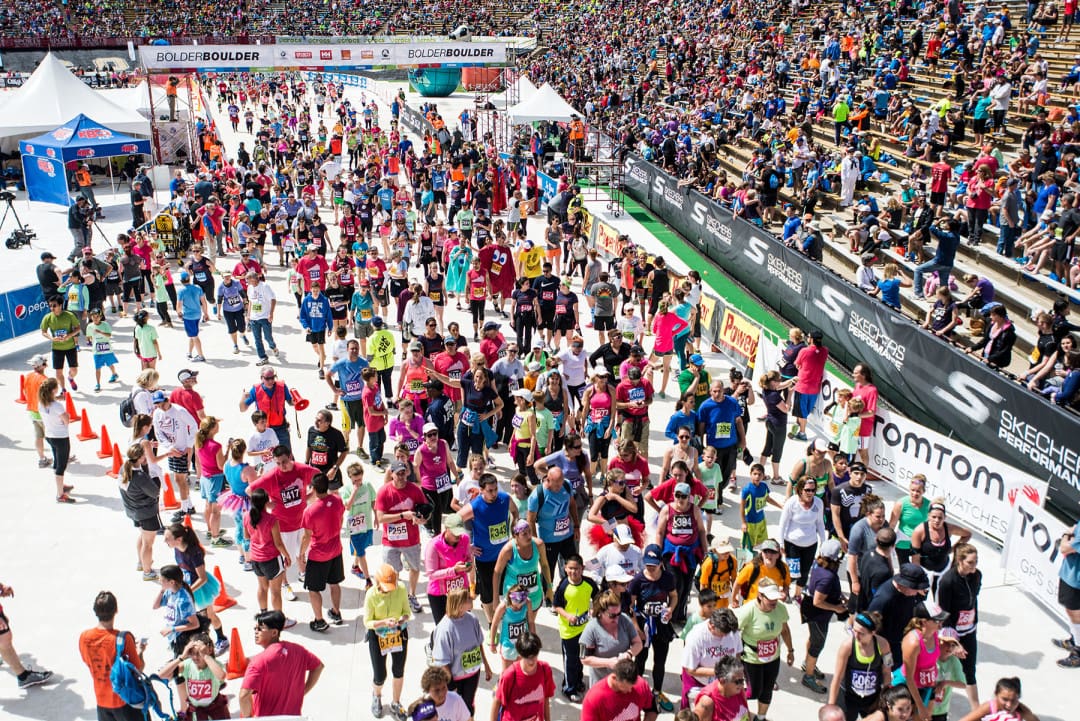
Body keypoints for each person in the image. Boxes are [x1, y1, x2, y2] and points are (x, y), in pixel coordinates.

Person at [249, 445, 318, 603]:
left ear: (291, 456)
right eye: (278, 463)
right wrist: (266, 505)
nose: (281, 466)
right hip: (284, 527)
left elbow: (320, 479)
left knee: (303, 552)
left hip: (302, 523)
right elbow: (250, 490)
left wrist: (309, 496)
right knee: (284, 560)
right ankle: (285, 584)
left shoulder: (303, 469)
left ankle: (303, 574)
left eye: (284, 462)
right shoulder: (272, 476)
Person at [239, 610, 323, 718]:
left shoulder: (258, 661)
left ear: (274, 632)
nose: (256, 631)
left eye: (260, 628)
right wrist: (302, 692)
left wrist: (248, 718)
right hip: (293, 718)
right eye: (255, 628)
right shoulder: (299, 651)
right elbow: (318, 667)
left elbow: (243, 696)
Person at [735, 578, 794, 720]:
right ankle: (735, 705)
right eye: (771, 598)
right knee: (754, 692)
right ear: (760, 596)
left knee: (767, 690)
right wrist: (736, 658)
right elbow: (734, 633)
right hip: (751, 658)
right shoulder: (748, 610)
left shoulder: (780, 608)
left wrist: (790, 651)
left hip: (773, 657)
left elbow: (785, 630)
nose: (774, 602)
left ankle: (761, 717)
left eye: (776, 598)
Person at [375, 458, 429, 613]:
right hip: (390, 541)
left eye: (403, 473)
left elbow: (425, 511)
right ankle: (396, 596)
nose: (401, 477)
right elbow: (380, 518)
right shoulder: (384, 491)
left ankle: (412, 595)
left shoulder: (414, 490)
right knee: (392, 571)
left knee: (414, 568)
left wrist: (422, 519)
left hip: (411, 540)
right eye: (398, 474)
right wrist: (402, 515)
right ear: (391, 474)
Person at [629, 544, 678, 712]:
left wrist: (671, 609)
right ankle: (636, 690)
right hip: (643, 626)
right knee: (640, 660)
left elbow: (673, 596)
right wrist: (636, 627)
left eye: (653, 565)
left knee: (660, 660)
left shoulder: (668, 578)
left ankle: (657, 691)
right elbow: (631, 606)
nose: (650, 568)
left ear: (660, 563)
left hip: (662, 626)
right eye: (647, 564)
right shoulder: (637, 581)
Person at [80, 591, 141, 719]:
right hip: (125, 700)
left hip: (101, 701)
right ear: (116, 610)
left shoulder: (84, 637)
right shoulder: (123, 639)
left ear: (95, 611)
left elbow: (88, 661)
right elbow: (137, 670)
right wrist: (140, 651)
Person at [431, 588, 492, 715]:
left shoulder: (472, 619)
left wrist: (486, 665)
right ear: (459, 605)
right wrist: (451, 686)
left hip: (473, 674)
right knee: (456, 710)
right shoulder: (444, 629)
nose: (472, 598)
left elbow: (479, 644)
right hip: (456, 678)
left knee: (469, 706)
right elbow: (443, 662)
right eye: (468, 599)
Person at [299, 473, 346, 632]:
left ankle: (319, 621)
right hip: (336, 550)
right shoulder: (337, 500)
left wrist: (301, 554)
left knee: (313, 589)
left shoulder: (310, 511)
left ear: (312, 488)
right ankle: (336, 612)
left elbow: (307, 536)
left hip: (319, 555)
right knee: (335, 583)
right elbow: (340, 520)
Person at [828, 611, 894, 721]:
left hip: (873, 697)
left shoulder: (883, 645)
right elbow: (838, 677)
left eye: (861, 633)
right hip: (848, 696)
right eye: (854, 630)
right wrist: (831, 705)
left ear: (873, 632)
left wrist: (885, 698)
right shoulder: (847, 646)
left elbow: (887, 672)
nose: (856, 635)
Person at [802, 539, 848, 694]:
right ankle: (808, 676)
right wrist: (836, 608)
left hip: (809, 610)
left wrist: (839, 595)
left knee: (813, 638)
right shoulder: (828, 576)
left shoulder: (819, 565)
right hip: (818, 615)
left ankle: (808, 663)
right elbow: (818, 601)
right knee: (817, 644)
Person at [366, 564, 412, 720]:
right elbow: (368, 622)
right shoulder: (371, 595)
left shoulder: (401, 589)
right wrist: (384, 622)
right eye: (386, 587)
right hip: (378, 637)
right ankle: (377, 695)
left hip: (398, 634)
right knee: (380, 674)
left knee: (398, 670)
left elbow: (407, 612)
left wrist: (401, 619)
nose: (390, 590)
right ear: (378, 583)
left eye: (392, 586)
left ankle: (396, 702)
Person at [553, 553, 599, 702]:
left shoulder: (589, 583)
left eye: (577, 569)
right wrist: (567, 616)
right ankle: (568, 688)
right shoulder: (563, 586)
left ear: (582, 568)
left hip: (584, 630)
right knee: (570, 661)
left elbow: (598, 597)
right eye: (570, 568)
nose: (573, 572)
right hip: (569, 632)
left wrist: (595, 609)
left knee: (581, 658)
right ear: (565, 568)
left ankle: (578, 682)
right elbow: (557, 606)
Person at [681, 608, 741, 709]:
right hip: (699, 682)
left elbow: (738, 654)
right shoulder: (695, 637)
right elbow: (691, 669)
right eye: (722, 634)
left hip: (725, 682)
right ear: (712, 626)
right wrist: (720, 672)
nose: (725, 637)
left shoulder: (732, 632)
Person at [158, 634, 229, 720]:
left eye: (199, 653)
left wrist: (206, 656)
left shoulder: (214, 665)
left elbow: (221, 676)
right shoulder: (187, 665)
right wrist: (181, 657)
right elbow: (161, 675)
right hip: (195, 712)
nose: (195, 657)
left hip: (215, 711)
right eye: (191, 653)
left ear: (209, 650)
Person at [580, 589, 643, 685]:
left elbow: (638, 643)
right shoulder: (591, 628)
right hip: (601, 684)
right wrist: (608, 662)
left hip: (623, 683)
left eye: (618, 613)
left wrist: (629, 653)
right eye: (612, 615)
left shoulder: (624, 619)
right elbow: (584, 658)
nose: (617, 619)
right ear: (600, 612)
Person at [119, 443, 162, 581]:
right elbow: (155, 491)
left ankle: (141, 563)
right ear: (141, 457)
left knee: (143, 537)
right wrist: (154, 478)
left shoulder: (123, 469)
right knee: (148, 544)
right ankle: (147, 572)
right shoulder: (140, 477)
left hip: (133, 510)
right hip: (146, 512)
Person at [867, 564, 931, 659]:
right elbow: (870, 625)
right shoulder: (883, 599)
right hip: (888, 646)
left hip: (904, 640)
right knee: (890, 669)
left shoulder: (910, 593)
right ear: (905, 584)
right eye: (915, 588)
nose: (917, 592)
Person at [909, 501, 971, 596]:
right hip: (925, 572)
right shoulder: (919, 531)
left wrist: (953, 549)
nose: (937, 520)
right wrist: (919, 582)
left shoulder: (949, 528)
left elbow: (967, 534)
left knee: (941, 601)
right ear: (928, 516)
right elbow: (915, 560)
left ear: (945, 518)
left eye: (940, 517)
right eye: (934, 517)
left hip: (943, 571)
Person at [493, 632, 555, 721]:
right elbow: (497, 703)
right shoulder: (509, 675)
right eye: (527, 657)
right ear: (520, 655)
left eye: (534, 655)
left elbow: (546, 699)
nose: (532, 661)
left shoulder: (545, 670)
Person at [426, 512, 473, 626]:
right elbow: (431, 574)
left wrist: (468, 565)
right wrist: (453, 571)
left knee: (464, 624)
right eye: (454, 533)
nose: (458, 536)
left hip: (460, 590)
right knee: (444, 627)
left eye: (459, 532)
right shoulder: (434, 545)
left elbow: (468, 558)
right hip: (440, 594)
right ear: (446, 529)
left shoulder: (465, 539)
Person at [239, 368, 298, 451]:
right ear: (262, 378)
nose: (271, 381)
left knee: (286, 453)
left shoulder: (282, 386)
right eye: (267, 379)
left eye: (272, 378)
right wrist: (242, 398)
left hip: (280, 428)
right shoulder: (255, 390)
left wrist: (295, 401)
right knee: (268, 458)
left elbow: (290, 402)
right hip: (264, 430)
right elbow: (243, 409)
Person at [581, 658, 658, 721]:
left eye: (632, 686)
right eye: (624, 687)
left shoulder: (641, 685)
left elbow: (652, 710)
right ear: (614, 678)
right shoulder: (593, 698)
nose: (630, 690)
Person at [39, 377, 76, 503]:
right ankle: (60, 494)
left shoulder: (42, 403)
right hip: (61, 437)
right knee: (61, 465)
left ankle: (61, 486)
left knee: (56, 461)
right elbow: (66, 420)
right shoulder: (57, 406)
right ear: (54, 390)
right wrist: (67, 416)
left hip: (49, 435)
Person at [40, 295, 81, 395]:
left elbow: (78, 328)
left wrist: (69, 335)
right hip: (57, 349)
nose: (52, 308)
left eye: (54, 306)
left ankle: (70, 378)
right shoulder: (48, 317)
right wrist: (51, 338)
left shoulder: (69, 315)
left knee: (74, 370)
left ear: (61, 305)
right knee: (58, 372)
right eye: (50, 306)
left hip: (70, 347)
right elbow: (43, 331)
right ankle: (63, 390)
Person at [692, 655, 752, 721]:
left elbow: (746, 712)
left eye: (742, 680)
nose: (742, 684)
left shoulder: (738, 689)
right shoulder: (707, 702)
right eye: (738, 681)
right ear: (722, 681)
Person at [1055, 509, 1080, 668]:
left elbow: (1064, 548)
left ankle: (1078, 651)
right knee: (1071, 611)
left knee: (1075, 614)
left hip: (1075, 579)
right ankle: (1074, 639)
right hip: (1070, 575)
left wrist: (1065, 536)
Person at [956, 677, 1040, 721]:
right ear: (996, 695)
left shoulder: (1021, 710)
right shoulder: (989, 707)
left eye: (1013, 700)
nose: (1009, 705)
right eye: (1005, 699)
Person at [889, 476, 930, 566]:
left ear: (923, 491)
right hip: (903, 542)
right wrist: (889, 542)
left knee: (917, 568)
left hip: (919, 541)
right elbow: (892, 525)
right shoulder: (901, 504)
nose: (915, 493)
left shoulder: (929, 505)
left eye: (918, 491)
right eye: (912, 490)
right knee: (905, 569)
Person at [246, 270, 280, 365]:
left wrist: (271, 313)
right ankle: (263, 357)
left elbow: (273, 300)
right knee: (257, 339)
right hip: (254, 317)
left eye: (248, 280)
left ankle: (273, 347)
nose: (247, 282)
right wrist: (248, 315)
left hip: (265, 316)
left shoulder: (265, 287)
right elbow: (251, 302)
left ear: (254, 279)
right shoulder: (249, 288)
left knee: (268, 337)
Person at [176, 271, 210, 362]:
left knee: (194, 336)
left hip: (188, 316)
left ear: (181, 280)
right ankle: (190, 352)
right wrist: (206, 313)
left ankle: (200, 356)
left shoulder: (181, 291)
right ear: (189, 279)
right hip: (197, 315)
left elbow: (178, 306)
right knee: (192, 335)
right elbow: (203, 302)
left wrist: (179, 314)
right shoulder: (198, 288)